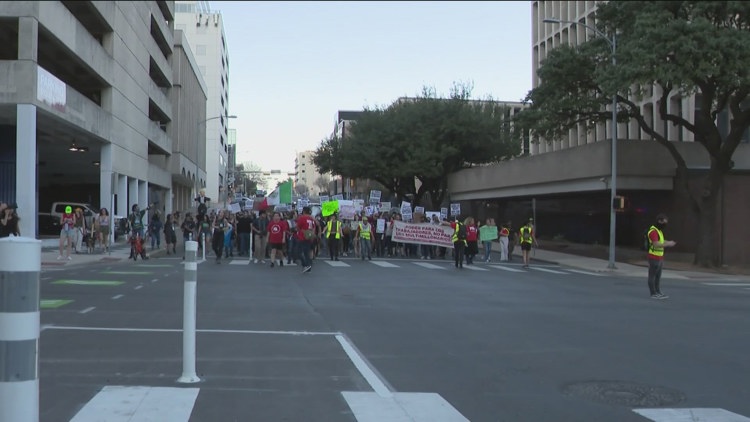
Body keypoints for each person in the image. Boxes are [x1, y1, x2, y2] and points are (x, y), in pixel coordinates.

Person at [646, 213, 677, 300]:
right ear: (659, 221)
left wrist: (667, 242)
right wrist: (668, 244)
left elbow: (661, 241)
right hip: (653, 256)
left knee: (658, 276)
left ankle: (658, 291)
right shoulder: (653, 231)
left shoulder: (658, 231)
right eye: (664, 222)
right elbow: (656, 244)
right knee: (652, 276)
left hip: (659, 257)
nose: (665, 225)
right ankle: (653, 293)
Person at [295, 206, 316, 273]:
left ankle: (305, 264)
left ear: (303, 211)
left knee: (298, 252)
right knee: (307, 252)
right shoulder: (311, 218)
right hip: (309, 236)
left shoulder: (302, 218)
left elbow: (298, 227)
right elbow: (313, 227)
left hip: (302, 236)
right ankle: (308, 265)